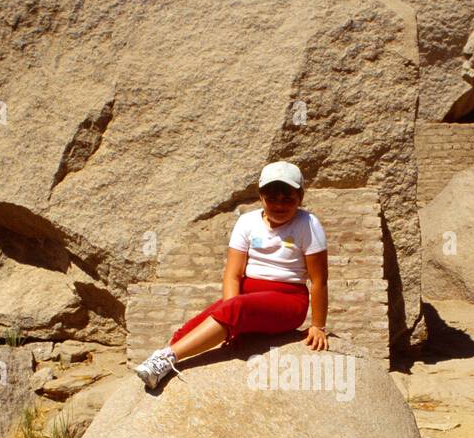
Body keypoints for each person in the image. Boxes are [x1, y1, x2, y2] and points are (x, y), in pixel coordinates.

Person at [132, 161, 330, 389]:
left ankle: (166, 360)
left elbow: (318, 280)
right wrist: (233, 320)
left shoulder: (308, 224)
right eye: (271, 198)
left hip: (288, 299)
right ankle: (168, 356)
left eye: (288, 199)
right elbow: (233, 275)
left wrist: (318, 325)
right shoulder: (247, 222)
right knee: (183, 335)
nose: (279, 205)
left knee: (236, 309)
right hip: (247, 294)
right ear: (261, 196)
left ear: (300, 197)